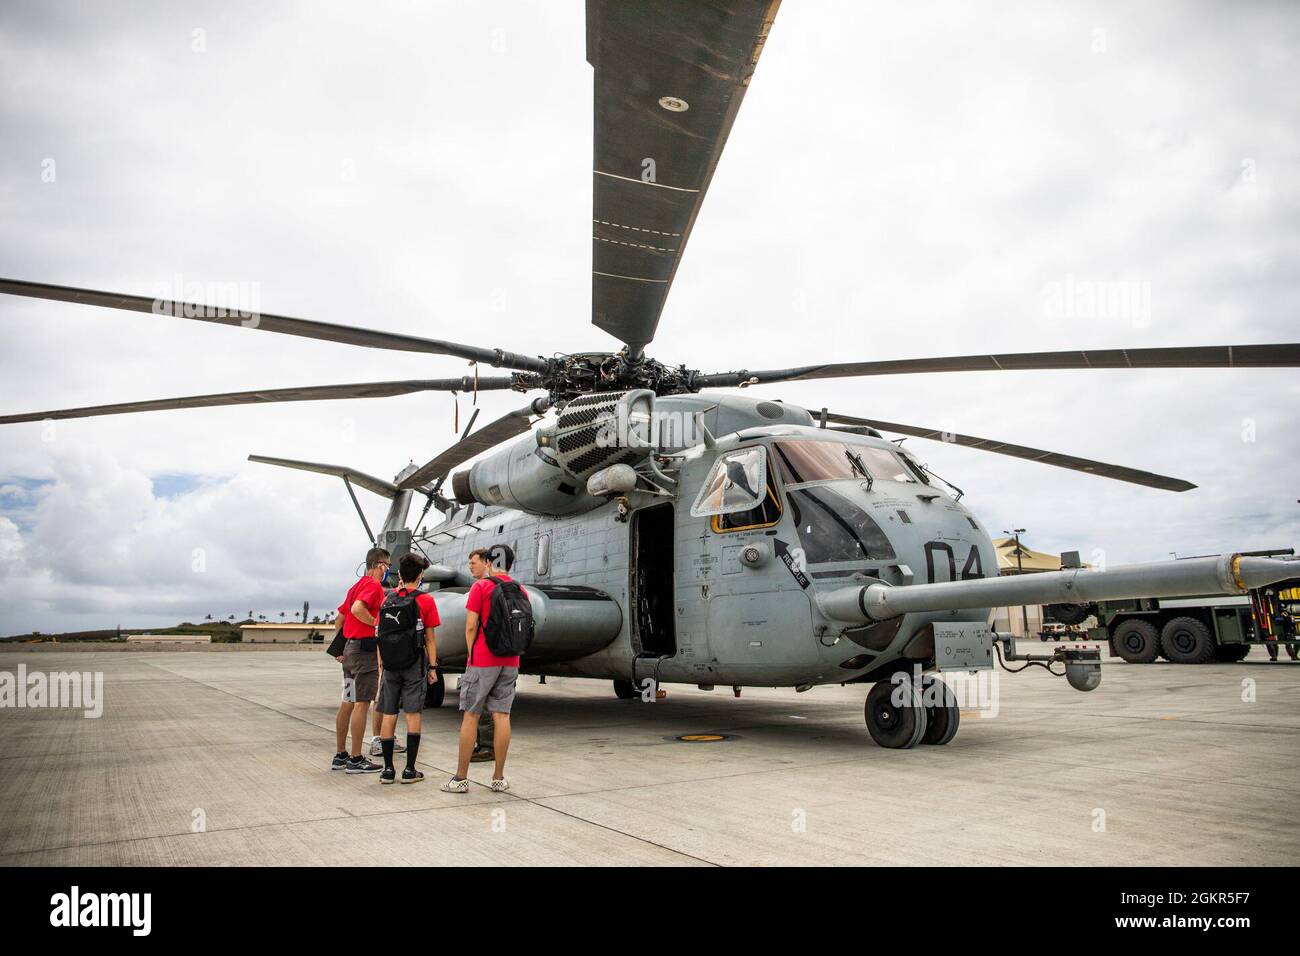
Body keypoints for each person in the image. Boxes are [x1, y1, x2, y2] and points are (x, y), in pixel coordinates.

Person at [442, 548, 522, 793]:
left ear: (489, 562)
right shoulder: (520, 589)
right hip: (511, 660)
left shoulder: (480, 587)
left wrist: (471, 655)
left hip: (483, 660)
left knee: (471, 715)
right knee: (502, 717)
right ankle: (498, 778)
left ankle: (460, 779)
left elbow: (470, 625)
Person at [375, 553, 440, 784]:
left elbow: (380, 634)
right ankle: (410, 769)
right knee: (413, 713)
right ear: (421, 575)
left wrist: (382, 664)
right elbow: (430, 639)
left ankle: (388, 770)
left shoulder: (388, 599)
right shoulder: (426, 601)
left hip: (390, 664)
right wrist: (433, 667)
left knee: (389, 713)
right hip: (414, 663)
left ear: (400, 574)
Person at [331, 547, 389, 774]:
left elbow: (341, 617)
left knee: (347, 701)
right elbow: (357, 609)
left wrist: (341, 647)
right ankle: (356, 758)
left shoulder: (355, 586)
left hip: (349, 650)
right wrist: (375, 623)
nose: (387, 571)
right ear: (380, 565)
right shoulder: (374, 586)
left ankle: (340, 754)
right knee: (362, 703)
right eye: (387, 566)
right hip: (365, 652)